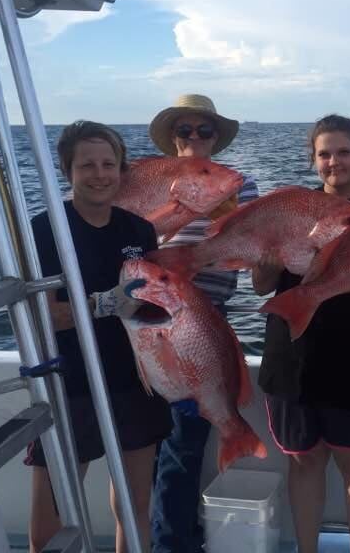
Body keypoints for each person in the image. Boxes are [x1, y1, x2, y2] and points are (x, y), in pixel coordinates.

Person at [27, 120, 171, 553]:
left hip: (135, 381)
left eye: (109, 163)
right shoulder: (44, 229)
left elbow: (157, 304)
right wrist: (106, 303)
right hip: (67, 383)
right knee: (51, 516)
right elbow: (43, 317)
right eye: (86, 164)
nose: (99, 173)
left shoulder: (139, 231)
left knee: (135, 505)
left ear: (122, 170)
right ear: (66, 170)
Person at [254, 115, 350, 553]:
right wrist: (270, 253)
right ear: (313, 160)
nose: (334, 162)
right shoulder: (292, 209)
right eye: (324, 154)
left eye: (343, 152)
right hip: (292, 358)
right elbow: (261, 285)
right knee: (304, 464)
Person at [148, 93, 259, 553]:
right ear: (172, 140)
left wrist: (221, 213)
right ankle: (167, 540)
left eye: (204, 131)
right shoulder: (150, 182)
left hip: (206, 322)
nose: (194, 139)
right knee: (150, 440)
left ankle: (174, 542)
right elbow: (132, 243)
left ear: (216, 139)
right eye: (184, 131)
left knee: (182, 442)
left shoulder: (239, 185)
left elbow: (248, 251)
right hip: (146, 321)